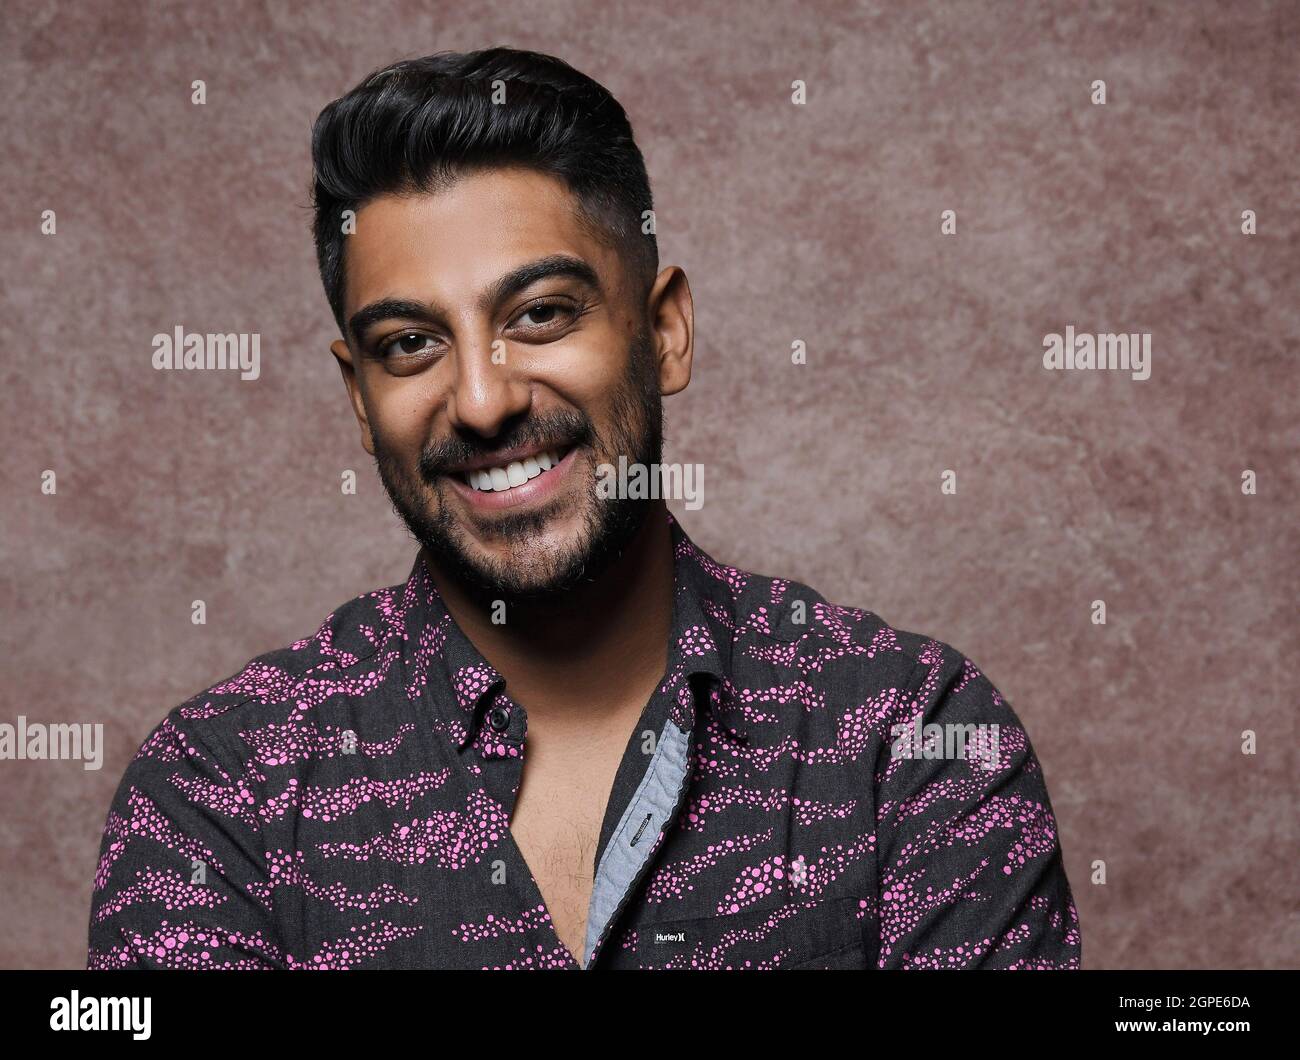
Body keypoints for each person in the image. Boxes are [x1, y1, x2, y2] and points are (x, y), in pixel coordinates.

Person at [88, 47, 1080, 970]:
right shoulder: (220, 792)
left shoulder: (912, 741)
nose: (482, 400)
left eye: (541, 315)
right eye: (409, 344)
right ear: (359, 397)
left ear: (664, 331)